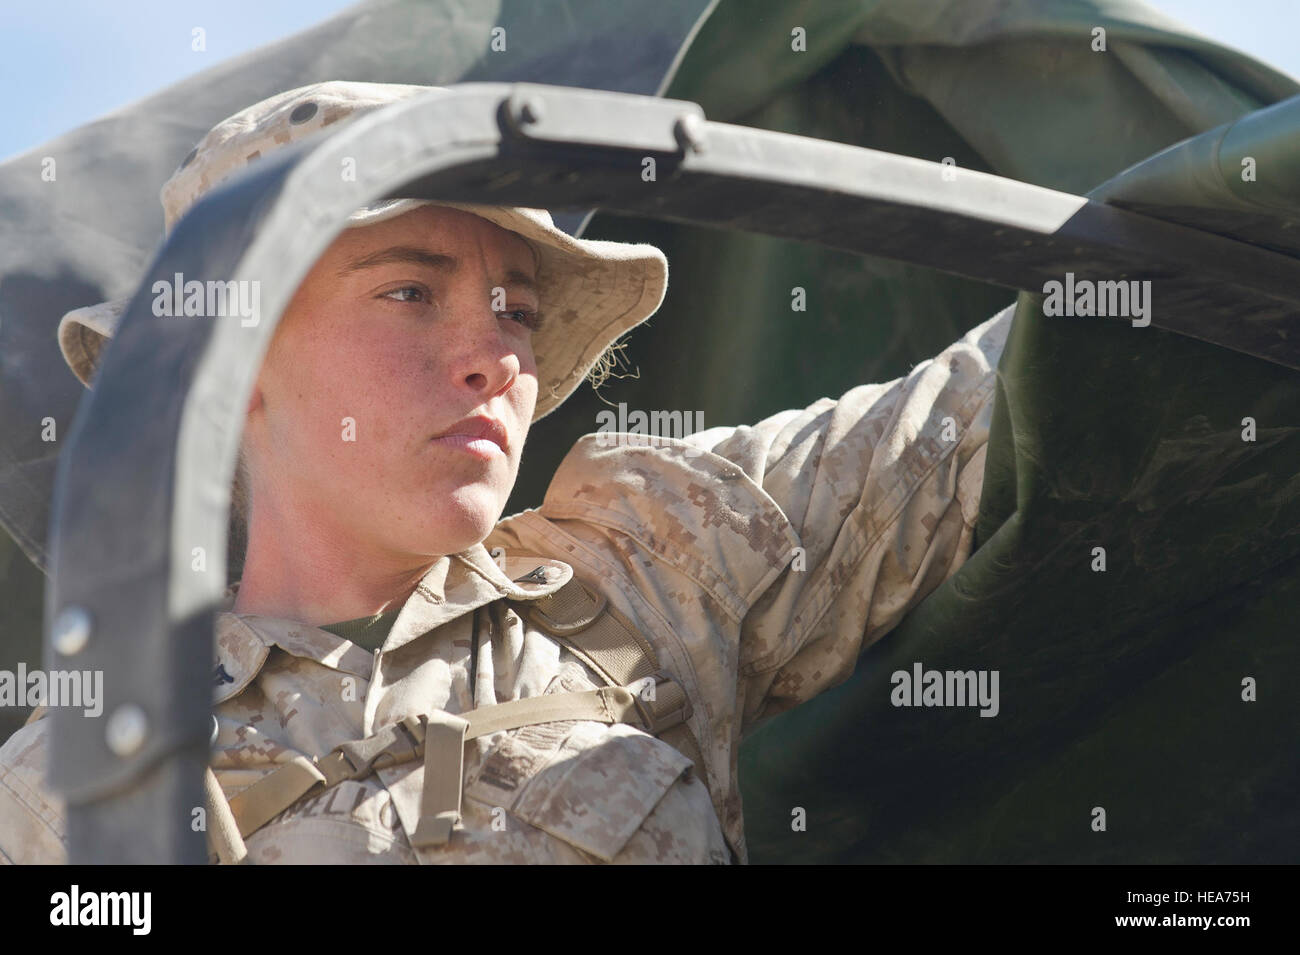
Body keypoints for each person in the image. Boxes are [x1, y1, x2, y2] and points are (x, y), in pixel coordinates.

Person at [0, 80, 1012, 864]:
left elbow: (979, 408)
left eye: (517, 309)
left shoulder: (653, 564)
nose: (498, 357)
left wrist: (1151, 234)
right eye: (409, 291)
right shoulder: (72, 780)